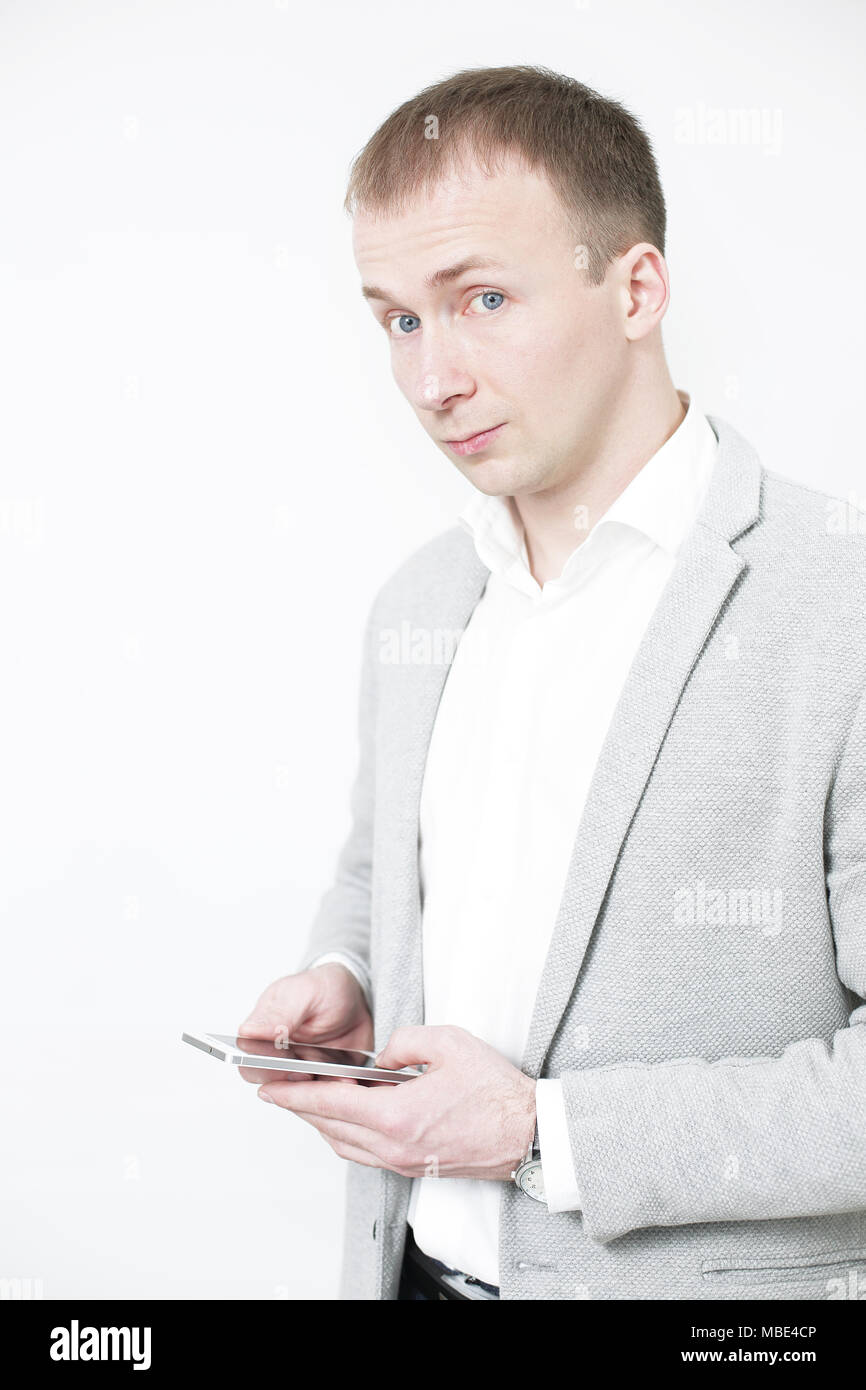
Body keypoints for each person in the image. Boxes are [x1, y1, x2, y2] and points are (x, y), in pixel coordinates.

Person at [237, 65, 866, 1301]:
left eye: (480, 298)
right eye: (399, 319)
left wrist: (537, 1129)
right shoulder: (421, 601)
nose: (432, 380)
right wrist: (348, 980)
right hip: (410, 1276)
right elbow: (380, 877)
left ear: (635, 287)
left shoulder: (835, 605)